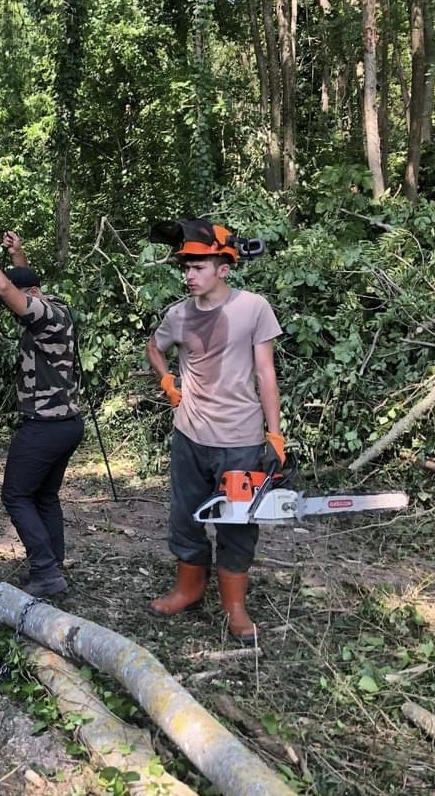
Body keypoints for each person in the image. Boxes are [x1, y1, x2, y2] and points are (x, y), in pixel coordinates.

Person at [145, 219, 284, 646]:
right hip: (189, 434)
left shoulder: (253, 308)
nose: (188, 274)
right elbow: (154, 346)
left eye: (198, 265)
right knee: (185, 516)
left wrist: (275, 435)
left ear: (224, 267)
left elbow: (266, 373)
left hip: (240, 439)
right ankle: (188, 589)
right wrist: (168, 382)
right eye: (185, 266)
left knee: (237, 523)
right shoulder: (179, 314)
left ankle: (234, 607)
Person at [0, 232, 85, 598]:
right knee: (45, 496)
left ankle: (45, 572)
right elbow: (24, 285)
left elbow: (7, 286)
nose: (12, 309)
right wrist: (18, 254)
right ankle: (52, 563)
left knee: (16, 495)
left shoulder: (43, 315)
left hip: (45, 426)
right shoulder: (55, 307)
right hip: (66, 424)